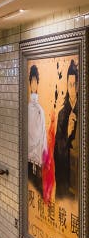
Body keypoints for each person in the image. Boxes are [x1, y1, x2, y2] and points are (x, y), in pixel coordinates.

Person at [54, 60, 78, 197]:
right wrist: (67, 135)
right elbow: (56, 150)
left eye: (75, 85)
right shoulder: (62, 114)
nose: (72, 89)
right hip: (64, 179)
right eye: (70, 85)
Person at [27, 65, 46, 191]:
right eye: (32, 82)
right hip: (28, 159)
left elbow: (43, 135)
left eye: (35, 82)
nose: (34, 85)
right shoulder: (27, 109)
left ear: (38, 84)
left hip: (38, 161)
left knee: (38, 188)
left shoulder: (40, 110)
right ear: (29, 84)